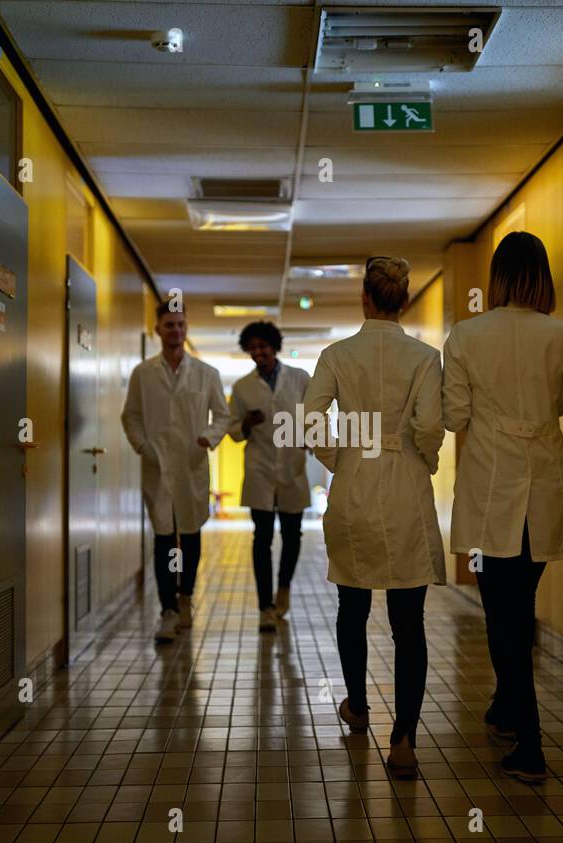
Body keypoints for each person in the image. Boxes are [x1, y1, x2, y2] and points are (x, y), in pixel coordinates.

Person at [442, 231, 563, 784]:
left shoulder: (467, 334)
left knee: (505, 617)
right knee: (518, 604)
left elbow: (454, 416)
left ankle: (532, 744)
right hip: (543, 483)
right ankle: (505, 709)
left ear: (496, 277)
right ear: (542, 275)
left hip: (494, 487)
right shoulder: (561, 333)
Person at [302, 256, 445, 779]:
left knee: (352, 604)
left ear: (365, 298)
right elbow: (431, 424)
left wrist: (341, 458)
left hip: (355, 485)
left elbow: (312, 422)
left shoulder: (337, 355)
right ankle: (404, 739)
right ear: (403, 301)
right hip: (406, 484)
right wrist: (420, 459)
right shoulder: (425, 357)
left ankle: (358, 708)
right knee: (409, 620)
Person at [121, 301, 230, 642]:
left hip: (192, 464)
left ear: (187, 329)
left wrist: (207, 438)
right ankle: (168, 610)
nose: (176, 331)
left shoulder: (206, 373)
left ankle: (186, 597)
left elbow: (223, 417)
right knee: (165, 540)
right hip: (157, 466)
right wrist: (142, 446)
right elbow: (131, 417)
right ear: (158, 330)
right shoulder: (143, 373)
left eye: (181, 325)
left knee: (191, 536)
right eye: (170, 325)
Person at [227, 321, 311, 632]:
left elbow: (315, 415)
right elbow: (233, 431)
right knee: (261, 539)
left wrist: (312, 436)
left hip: (292, 467)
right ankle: (264, 606)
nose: (258, 352)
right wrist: (246, 423)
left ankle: (283, 590)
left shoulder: (300, 379)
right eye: (253, 348)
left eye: (264, 346)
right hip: (260, 468)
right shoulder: (241, 387)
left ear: (275, 346)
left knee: (292, 536)